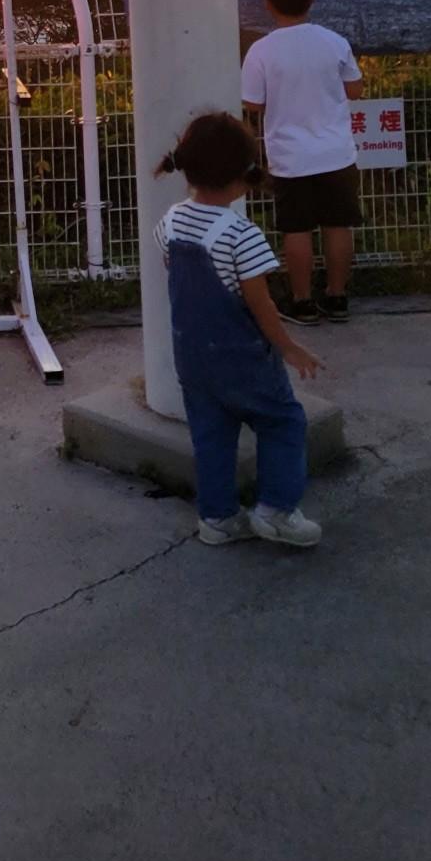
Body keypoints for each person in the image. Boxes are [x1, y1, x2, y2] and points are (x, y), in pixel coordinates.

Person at [156, 111, 324, 548]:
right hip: (243, 359)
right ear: (241, 175)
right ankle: (277, 511)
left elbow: (175, 275)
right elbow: (260, 303)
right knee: (283, 421)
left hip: (191, 358)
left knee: (211, 436)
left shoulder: (171, 221)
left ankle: (217, 519)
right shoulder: (240, 234)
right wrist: (287, 347)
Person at [241, 0, 365, 327]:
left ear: (267, 1)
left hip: (290, 157)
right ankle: (338, 296)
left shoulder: (261, 51)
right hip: (337, 152)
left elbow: (253, 102)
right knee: (338, 225)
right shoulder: (333, 41)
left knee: (297, 229)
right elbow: (355, 89)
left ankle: (302, 301)